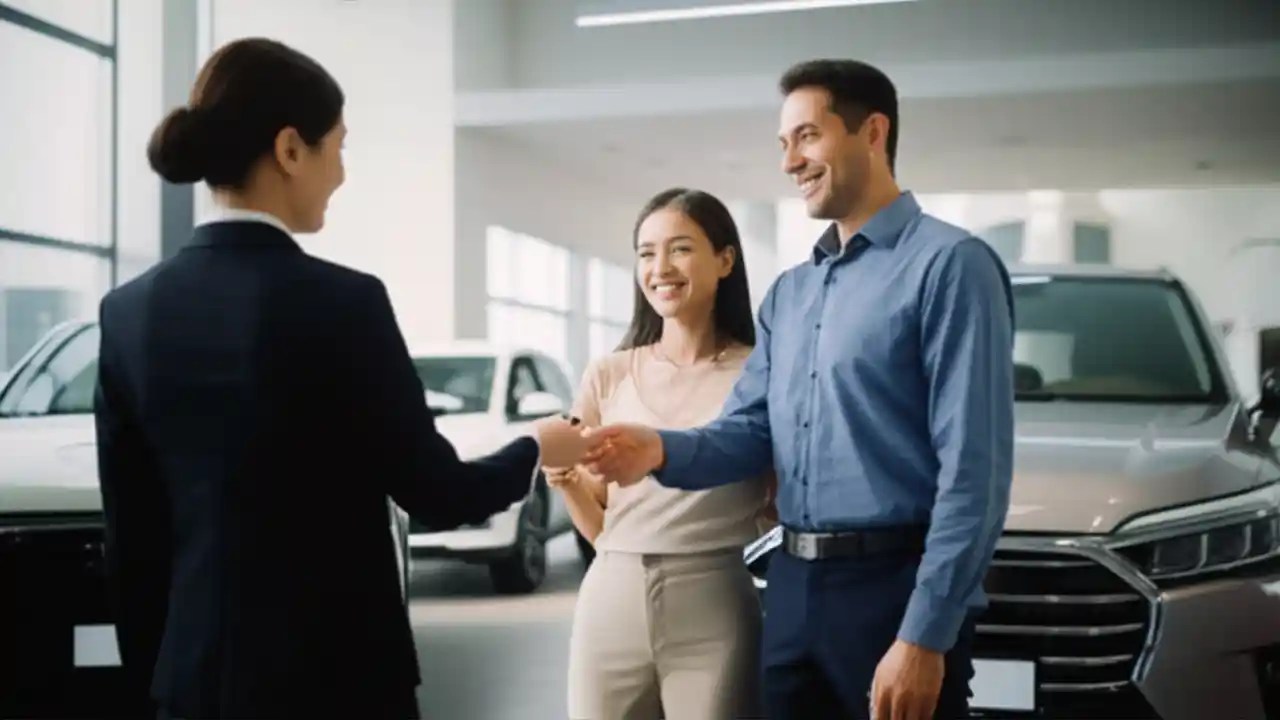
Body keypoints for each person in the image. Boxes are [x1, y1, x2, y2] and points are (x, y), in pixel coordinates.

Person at [94, 38, 588, 720]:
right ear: (291, 149)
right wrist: (536, 447)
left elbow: (133, 541)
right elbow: (438, 494)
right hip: (340, 678)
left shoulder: (128, 313)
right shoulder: (344, 302)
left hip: (195, 681)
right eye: (339, 148)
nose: (342, 173)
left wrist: (163, 681)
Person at [583, 59, 1015, 720]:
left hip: (892, 590)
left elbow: (974, 474)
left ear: (872, 132)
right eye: (783, 144)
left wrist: (925, 633)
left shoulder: (950, 267)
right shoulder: (792, 293)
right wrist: (657, 450)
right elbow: (750, 433)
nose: (790, 161)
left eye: (807, 136)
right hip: (792, 589)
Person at [548, 188, 774, 720]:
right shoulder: (609, 372)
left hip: (715, 601)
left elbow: (777, 497)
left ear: (724, 259)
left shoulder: (760, 371)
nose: (660, 268)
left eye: (679, 249)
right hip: (611, 600)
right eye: (646, 253)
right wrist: (566, 480)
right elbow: (602, 528)